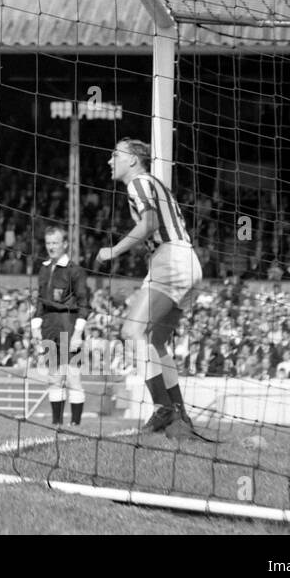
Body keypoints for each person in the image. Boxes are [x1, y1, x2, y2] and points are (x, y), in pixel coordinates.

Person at [96, 138, 206, 440]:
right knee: (156, 341)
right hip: (188, 261)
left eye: (115, 155)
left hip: (170, 259)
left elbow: (149, 223)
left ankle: (162, 407)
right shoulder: (153, 183)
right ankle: (180, 415)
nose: (109, 161)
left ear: (133, 160)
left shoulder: (138, 183)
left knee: (132, 333)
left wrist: (113, 251)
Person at [31, 226, 91, 428]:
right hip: (49, 326)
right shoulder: (44, 268)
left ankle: (75, 424)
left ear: (65, 244)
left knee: (73, 377)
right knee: (54, 376)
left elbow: (84, 304)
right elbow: (40, 299)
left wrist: (78, 334)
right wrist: (36, 326)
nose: (51, 247)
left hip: (69, 324)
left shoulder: (76, 271)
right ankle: (56, 423)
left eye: (55, 243)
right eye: (48, 243)